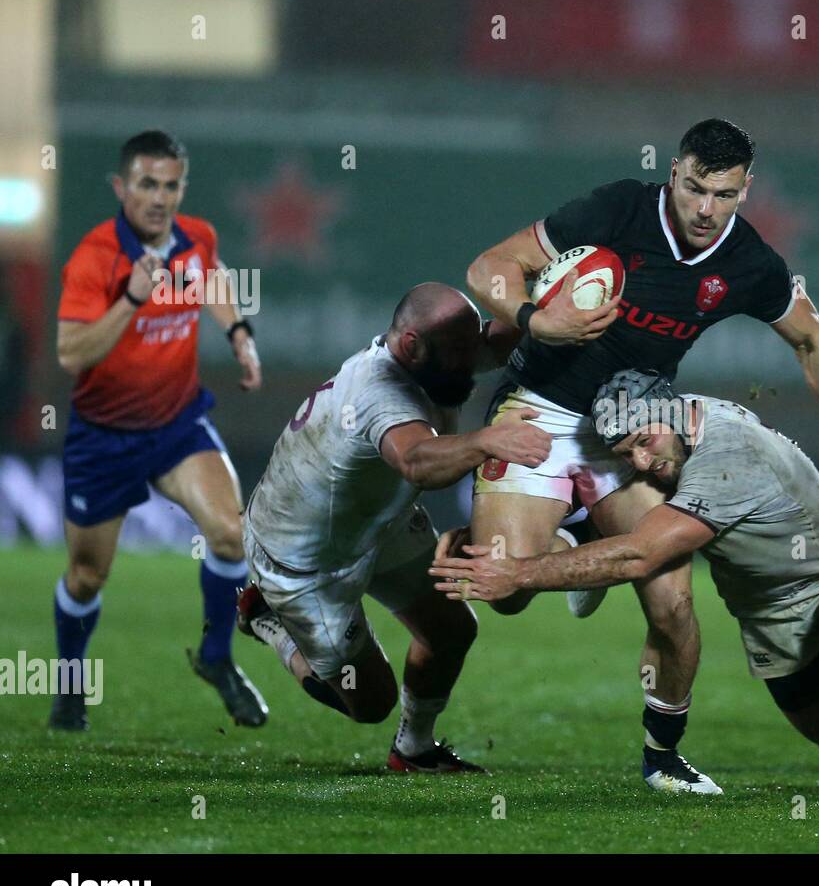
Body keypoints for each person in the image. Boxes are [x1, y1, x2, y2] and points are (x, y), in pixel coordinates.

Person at [464, 118, 819, 793]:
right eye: (693, 188)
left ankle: (663, 758)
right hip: (539, 404)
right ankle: (575, 525)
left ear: (745, 189)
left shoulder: (748, 262)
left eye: (722, 194)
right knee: (508, 591)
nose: (704, 208)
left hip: (631, 429)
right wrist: (533, 318)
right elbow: (489, 265)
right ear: (674, 173)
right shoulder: (618, 210)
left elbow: (812, 340)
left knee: (671, 599)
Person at [431, 371, 819, 804]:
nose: (639, 462)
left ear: (667, 416)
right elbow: (619, 519)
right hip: (771, 611)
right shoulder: (677, 422)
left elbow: (641, 552)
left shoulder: (724, 459)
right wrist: (500, 533)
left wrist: (519, 573)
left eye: (643, 442)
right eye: (626, 451)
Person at [238, 283, 552, 772]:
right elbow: (417, 460)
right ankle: (270, 622)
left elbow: (496, 340)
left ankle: (414, 750)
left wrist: (552, 308)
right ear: (410, 346)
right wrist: (489, 439)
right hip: (305, 559)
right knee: (368, 701)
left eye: (473, 345)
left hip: (377, 524)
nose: (474, 360)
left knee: (451, 629)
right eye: (461, 353)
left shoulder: (435, 352)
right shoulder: (378, 393)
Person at [51, 130, 266, 730]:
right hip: (104, 436)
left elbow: (213, 274)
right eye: (148, 184)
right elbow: (71, 353)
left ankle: (217, 656)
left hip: (176, 423)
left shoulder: (195, 237)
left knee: (231, 533)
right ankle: (70, 684)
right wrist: (129, 300)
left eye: (171, 185)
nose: (159, 197)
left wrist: (239, 334)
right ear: (122, 187)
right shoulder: (95, 259)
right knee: (88, 575)